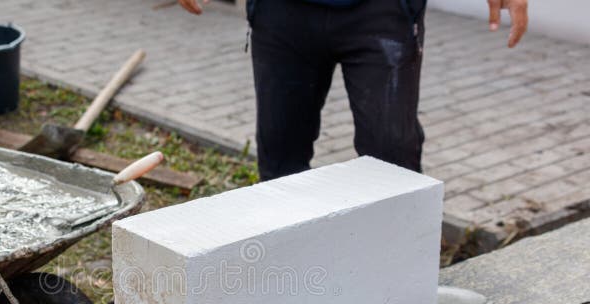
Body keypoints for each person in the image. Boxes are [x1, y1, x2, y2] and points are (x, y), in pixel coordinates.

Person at [178, 0, 528, 180]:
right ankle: (291, 284)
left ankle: (398, 289)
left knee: (390, 156)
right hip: (281, 16)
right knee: (280, 156)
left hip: (381, 13)